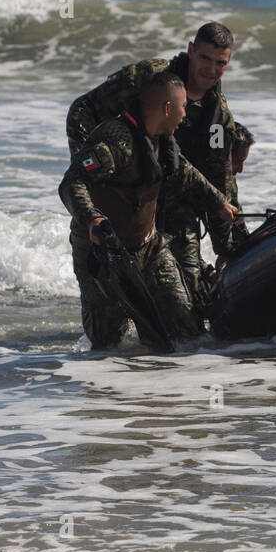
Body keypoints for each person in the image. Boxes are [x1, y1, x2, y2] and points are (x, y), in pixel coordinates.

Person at [59, 71, 238, 349]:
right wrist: (92, 219)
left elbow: (187, 173)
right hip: (104, 253)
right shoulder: (118, 143)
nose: (185, 115)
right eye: (182, 107)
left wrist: (219, 204)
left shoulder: (163, 140)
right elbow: (72, 182)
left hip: (149, 248)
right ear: (167, 108)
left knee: (187, 331)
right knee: (109, 346)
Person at [67, 21, 243, 301]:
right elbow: (83, 109)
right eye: (204, 58)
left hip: (176, 200)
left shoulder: (218, 119)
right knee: (114, 293)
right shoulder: (148, 78)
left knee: (188, 294)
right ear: (191, 51)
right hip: (129, 192)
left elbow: (220, 182)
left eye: (220, 63)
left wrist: (228, 248)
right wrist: (91, 172)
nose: (211, 69)